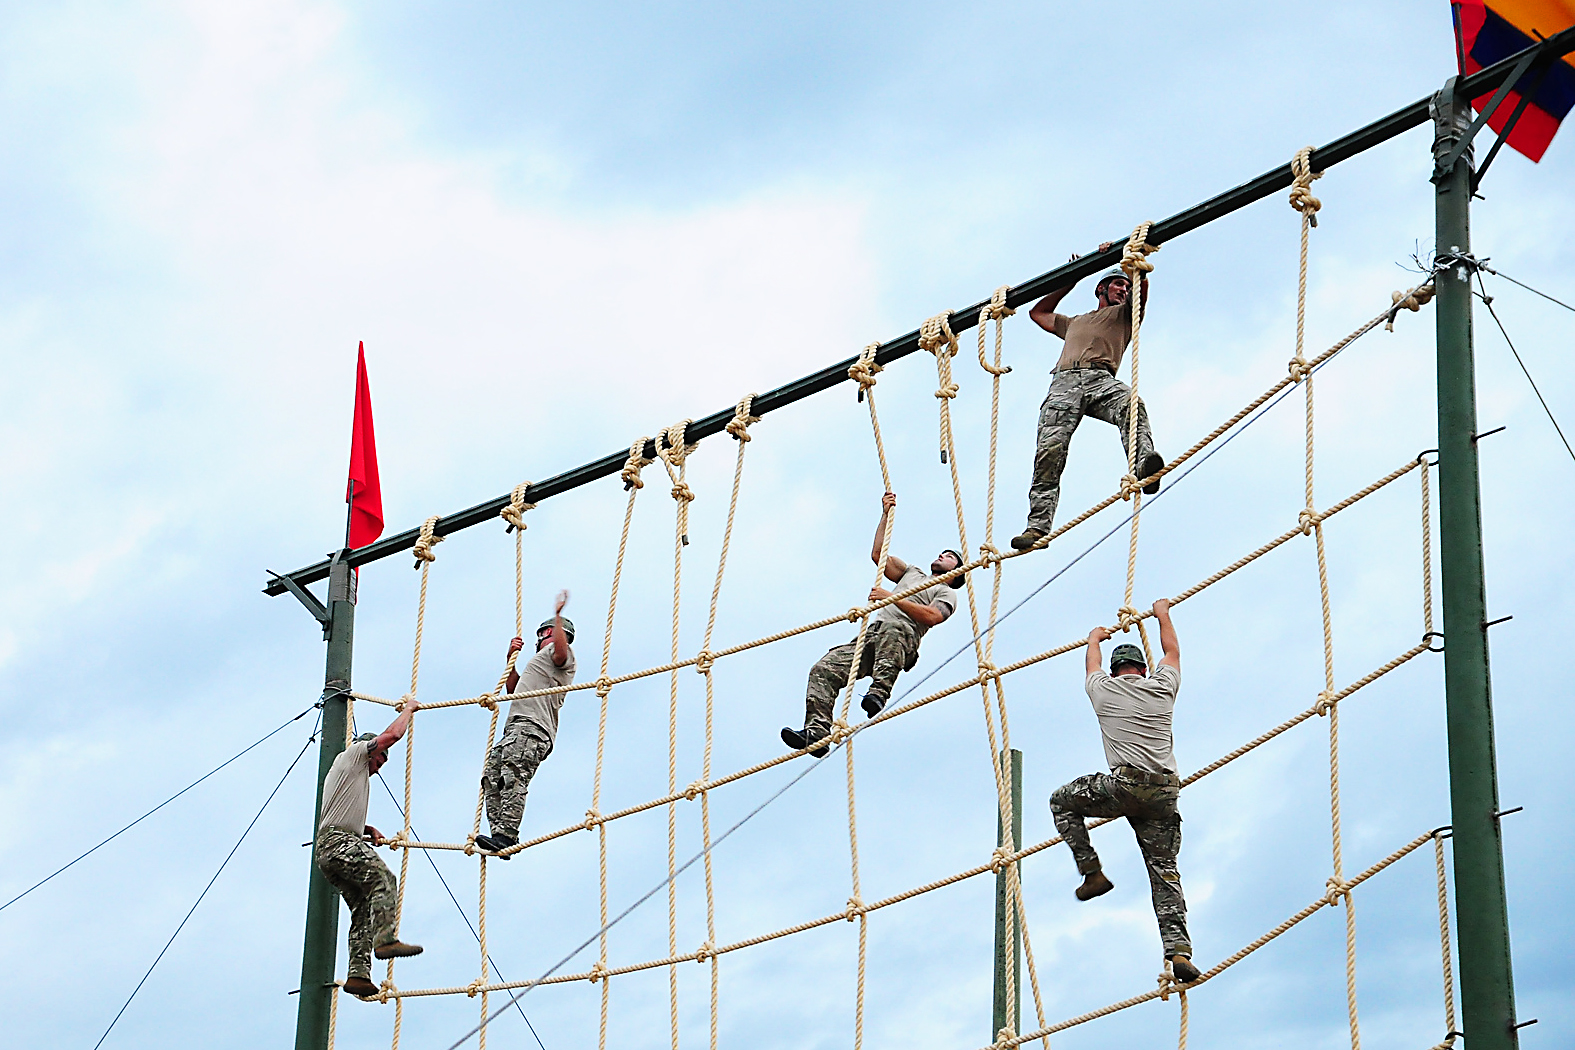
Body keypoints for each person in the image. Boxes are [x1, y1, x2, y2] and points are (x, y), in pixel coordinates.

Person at [1049, 598, 1199, 984]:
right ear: (1143, 669)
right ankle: (1179, 951)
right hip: (1164, 792)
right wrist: (1162, 613)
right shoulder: (1162, 687)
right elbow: (1172, 651)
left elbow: (1091, 665)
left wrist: (1095, 638)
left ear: (1116, 673)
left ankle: (1092, 872)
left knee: (1061, 801)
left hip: (1125, 785)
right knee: (1165, 872)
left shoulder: (1103, 691)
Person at [781, 492, 962, 757]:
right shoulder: (913, 573)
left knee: (893, 629)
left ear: (956, 572)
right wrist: (885, 514)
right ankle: (818, 733)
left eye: (949, 556)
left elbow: (932, 617)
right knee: (823, 668)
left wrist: (892, 597)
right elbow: (879, 555)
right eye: (942, 552)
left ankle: (879, 691)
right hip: (872, 636)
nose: (942, 555)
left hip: (901, 638)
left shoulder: (946, 592)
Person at [1011, 248, 1165, 551]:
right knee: (1049, 452)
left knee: (1131, 404)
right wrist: (1073, 277)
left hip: (1100, 378)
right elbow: (1038, 313)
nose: (1124, 289)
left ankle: (1144, 465)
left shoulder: (1126, 315)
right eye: (1118, 284)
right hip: (1064, 382)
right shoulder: (1075, 322)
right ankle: (1037, 527)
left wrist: (1128, 259)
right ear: (1101, 289)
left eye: (1126, 286)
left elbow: (1141, 287)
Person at [315, 700, 424, 1000]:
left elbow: (337, 814)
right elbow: (391, 736)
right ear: (369, 751)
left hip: (331, 849)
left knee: (362, 911)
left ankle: (358, 975)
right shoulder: (353, 756)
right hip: (338, 844)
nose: (379, 766)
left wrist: (366, 829)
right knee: (385, 880)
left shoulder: (351, 775)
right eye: (379, 759)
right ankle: (386, 939)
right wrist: (408, 710)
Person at [475, 590, 576, 857]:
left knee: (513, 774)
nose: (539, 639)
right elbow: (514, 691)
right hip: (517, 727)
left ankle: (506, 835)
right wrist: (511, 659)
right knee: (492, 776)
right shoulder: (538, 663)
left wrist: (557, 618)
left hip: (533, 727)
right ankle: (498, 832)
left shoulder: (560, 655)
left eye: (543, 634)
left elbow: (560, 652)